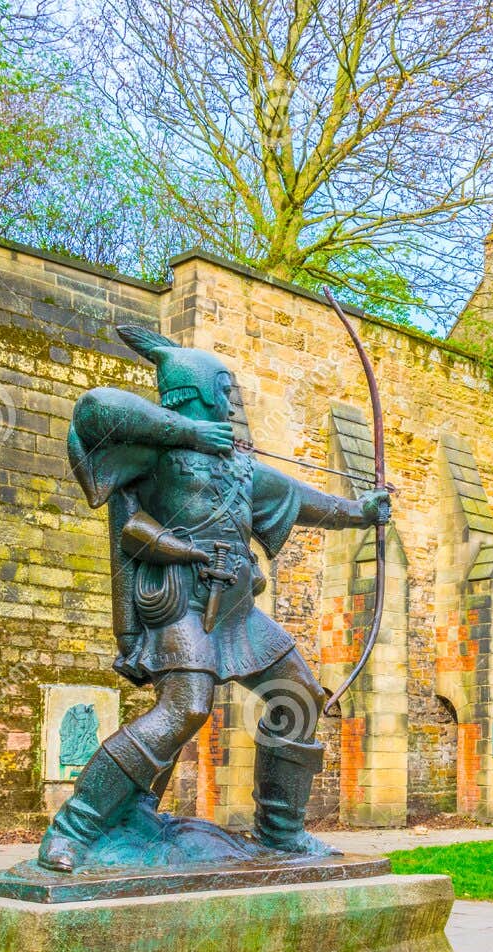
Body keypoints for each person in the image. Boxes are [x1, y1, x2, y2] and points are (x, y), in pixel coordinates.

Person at [38, 326, 389, 872]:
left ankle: (281, 834)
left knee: (297, 695)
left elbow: (303, 500)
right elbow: (95, 410)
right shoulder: (158, 450)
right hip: (180, 600)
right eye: (222, 390)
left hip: (236, 609)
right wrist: (190, 435)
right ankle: (74, 829)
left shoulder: (242, 467)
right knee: (186, 709)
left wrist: (363, 512)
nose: (230, 402)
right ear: (196, 390)